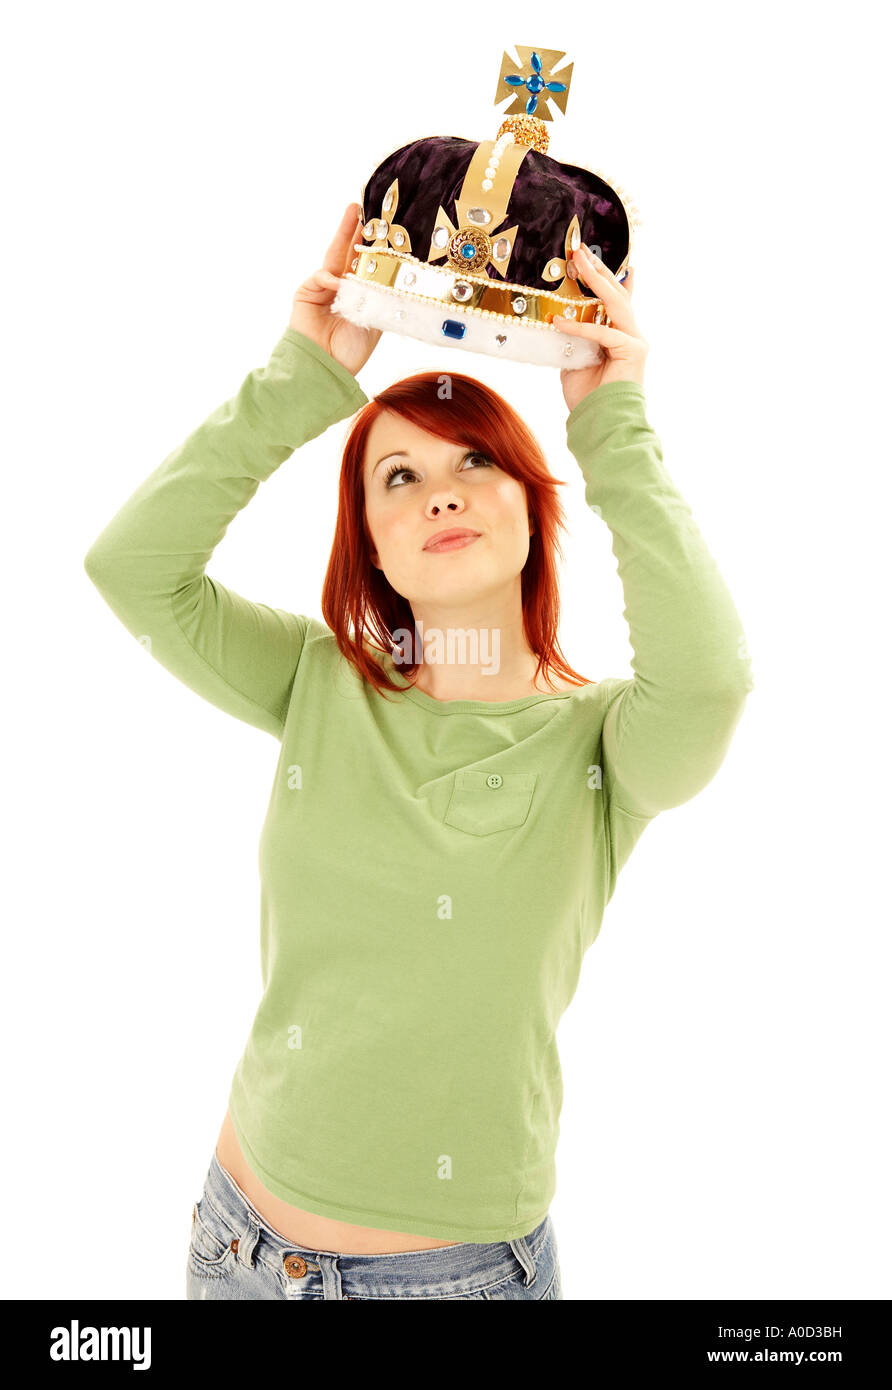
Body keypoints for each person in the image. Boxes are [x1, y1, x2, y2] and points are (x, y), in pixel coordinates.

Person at [83, 201, 753, 1300]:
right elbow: (131, 569)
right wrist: (305, 372)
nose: (439, 488)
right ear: (376, 550)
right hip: (233, 1236)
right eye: (397, 476)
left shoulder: (606, 748)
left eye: (475, 463)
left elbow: (713, 679)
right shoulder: (317, 682)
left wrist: (612, 422)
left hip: (445, 1281)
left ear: (536, 511)